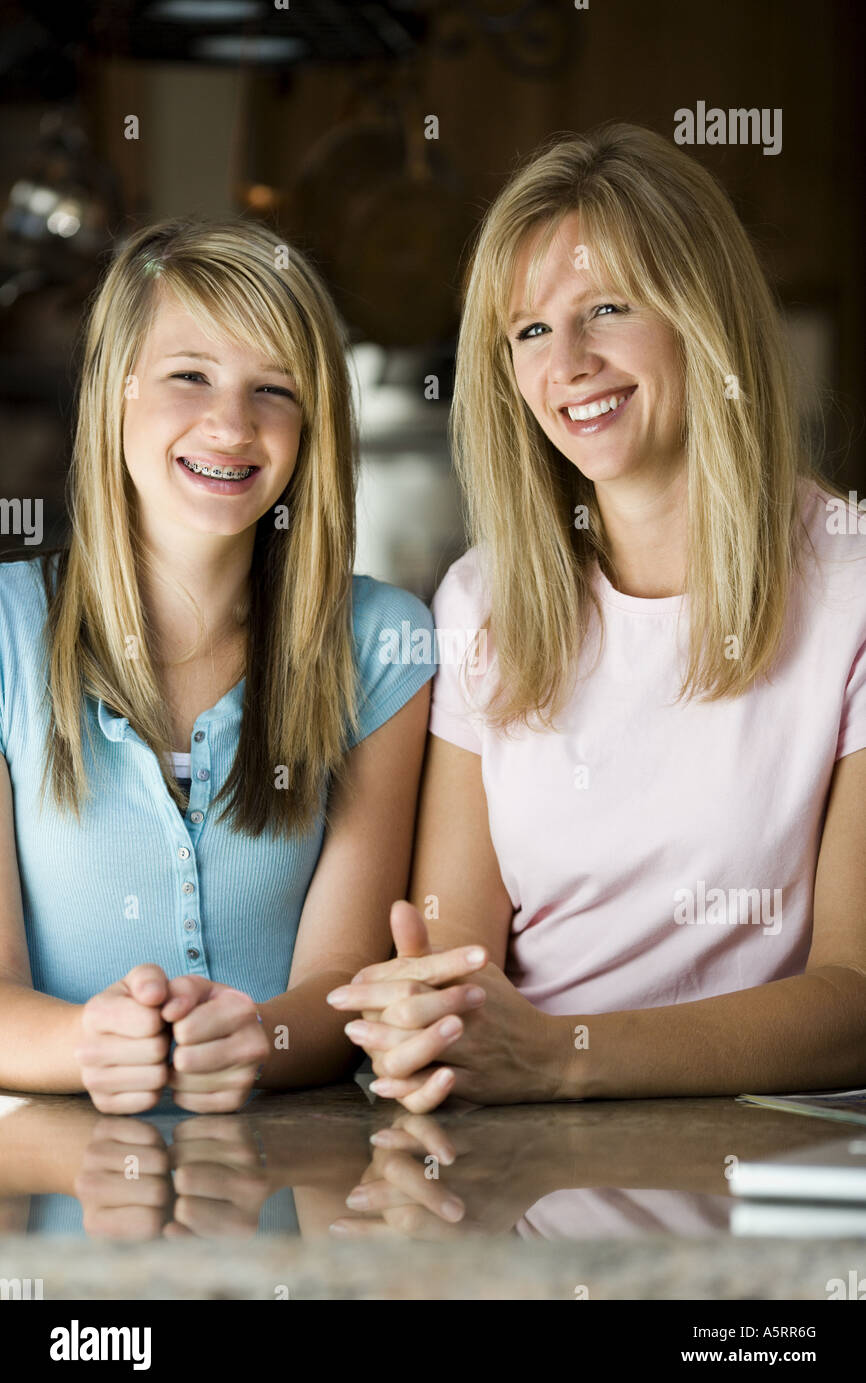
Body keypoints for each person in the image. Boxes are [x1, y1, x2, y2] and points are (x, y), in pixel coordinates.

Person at [328, 123, 866, 1113]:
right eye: (529, 330)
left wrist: (562, 1055)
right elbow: (454, 962)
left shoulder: (849, 581)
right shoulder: (481, 600)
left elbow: (854, 1002)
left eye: (604, 309)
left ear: (703, 316)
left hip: (758, 1166)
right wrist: (422, 1020)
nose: (565, 362)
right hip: (513, 1148)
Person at [0, 217, 436, 1113]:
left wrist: (259, 1039)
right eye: (189, 376)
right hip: (59, 1204)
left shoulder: (384, 644)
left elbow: (340, 978)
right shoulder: (5, 631)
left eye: (274, 389)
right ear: (113, 391)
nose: (232, 425)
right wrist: (91, 1045)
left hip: (292, 1190)